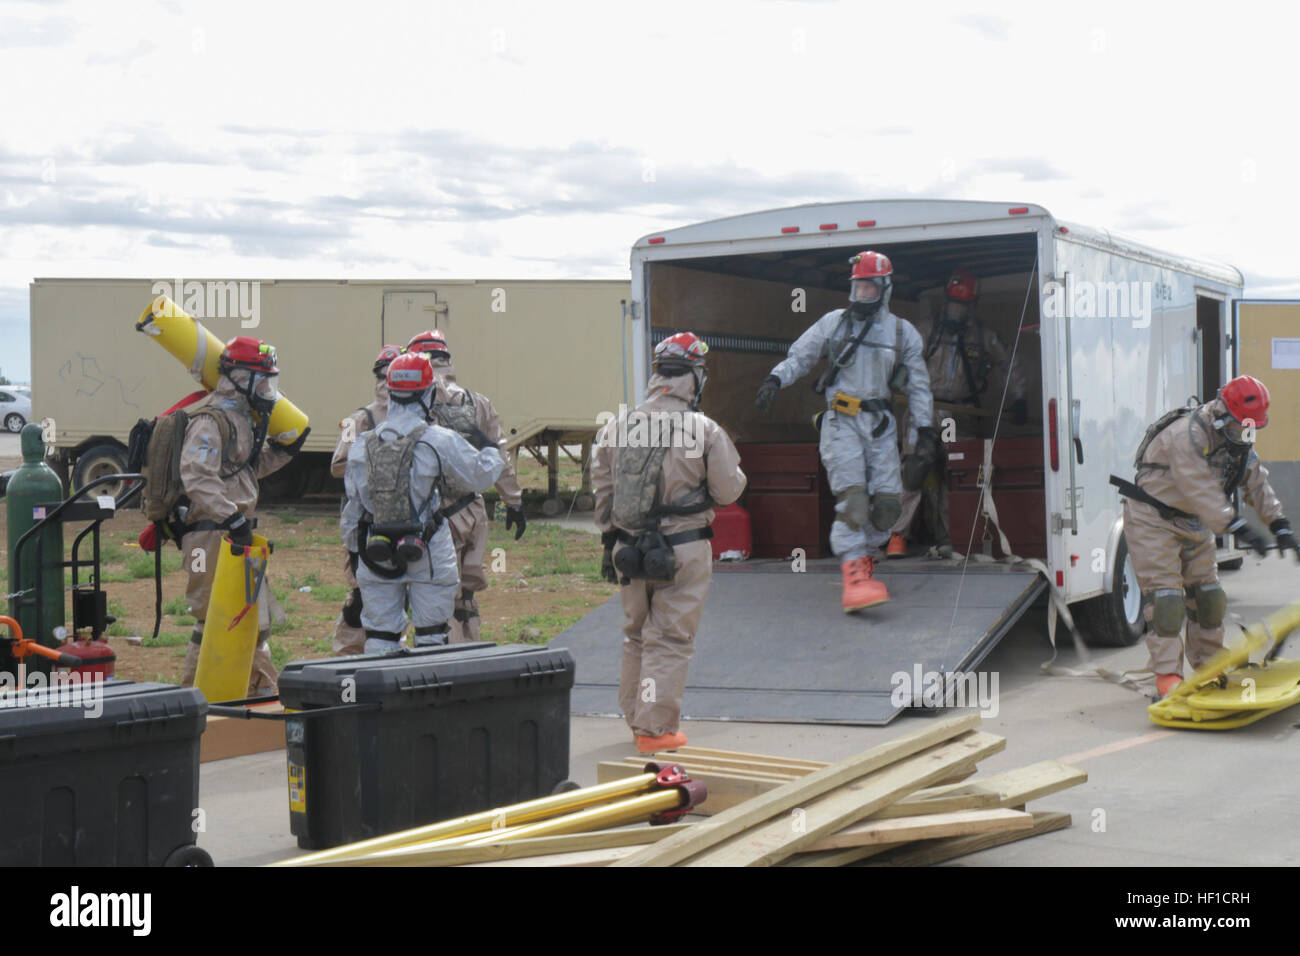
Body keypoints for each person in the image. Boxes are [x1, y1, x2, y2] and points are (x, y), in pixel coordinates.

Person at [593, 332, 747, 753]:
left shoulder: (618, 425)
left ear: (657, 374)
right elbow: (729, 491)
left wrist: (611, 540)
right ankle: (656, 730)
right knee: (671, 637)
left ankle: (638, 718)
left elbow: (602, 492)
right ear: (695, 377)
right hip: (683, 547)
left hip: (627, 548)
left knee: (636, 635)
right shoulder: (703, 429)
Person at [755, 250, 933, 611]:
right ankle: (853, 579)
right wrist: (776, 379)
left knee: (886, 508)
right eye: (858, 288)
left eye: (869, 288)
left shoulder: (902, 333)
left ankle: (864, 562)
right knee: (853, 502)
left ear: (884, 289)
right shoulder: (833, 323)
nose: (862, 295)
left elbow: (919, 386)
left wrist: (924, 431)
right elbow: (801, 357)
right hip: (841, 422)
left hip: (881, 426)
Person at [1111, 375, 1299, 698]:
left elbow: (1255, 481)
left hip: (1194, 521)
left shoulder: (1238, 437)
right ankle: (1168, 677)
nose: (1246, 433)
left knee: (1209, 598)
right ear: (1225, 414)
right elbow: (1197, 486)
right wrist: (1236, 525)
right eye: (1242, 426)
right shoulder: (1188, 436)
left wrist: (1279, 524)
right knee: (1166, 601)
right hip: (1154, 519)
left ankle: (1209, 666)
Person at [340, 352, 504, 653]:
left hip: (374, 548)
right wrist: (492, 448)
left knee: (380, 635)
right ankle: (429, 696)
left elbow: (353, 509)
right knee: (432, 634)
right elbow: (482, 477)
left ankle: (382, 696)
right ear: (428, 393)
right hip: (427, 548)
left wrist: (355, 553)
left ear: (390, 392)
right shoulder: (438, 439)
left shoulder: (363, 444)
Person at [179, 336, 308, 693]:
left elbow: (243, 473)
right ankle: (197, 697)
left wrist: (286, 453)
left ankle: (255, 693)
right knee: (210, 618)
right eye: (261, 380)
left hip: (235, 535)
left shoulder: (240, 419)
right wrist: (231, 518)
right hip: (206, 540)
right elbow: (197, 477)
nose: (267, 389)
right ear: (237, 377)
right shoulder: (209, 422)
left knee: (251, 618)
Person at [887, 267, 1029, 559]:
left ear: (972, 306)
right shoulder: (925, 330)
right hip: (922, 414)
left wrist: (1019, 397)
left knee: (957, 479)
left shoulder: (982, 335)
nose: (957, 310)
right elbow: (899, 360)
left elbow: (1009, 361)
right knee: (913, 474)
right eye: (953, 303)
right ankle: (897, 536)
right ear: (945, 300)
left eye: (962, 305)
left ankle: (952, 539)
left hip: (959, 414)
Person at [405, 329, 527, 642]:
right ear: (448, 360)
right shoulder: (479, 402)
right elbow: (498, 457)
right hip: (474, 512)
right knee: (467, 598)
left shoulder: (416, 402)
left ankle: (445, 663)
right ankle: (472, 657)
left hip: (435, 516)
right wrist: (513, 502)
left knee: (439, 594)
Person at [328, 344, 402, 655]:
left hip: (404, 522)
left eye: (392, 377)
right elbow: (336, 466)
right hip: (364, 524)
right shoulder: (358, 420)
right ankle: (350, 657)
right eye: (380, 377)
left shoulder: (421, 418)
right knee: (361, 597)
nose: (384, 384)